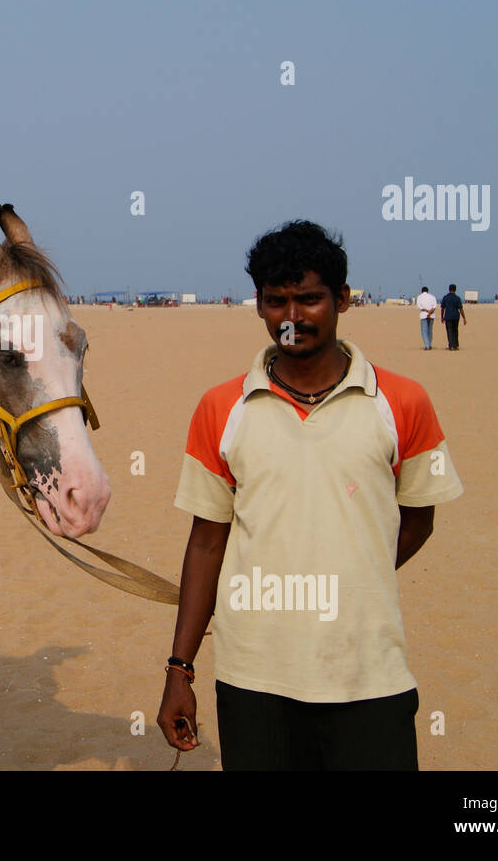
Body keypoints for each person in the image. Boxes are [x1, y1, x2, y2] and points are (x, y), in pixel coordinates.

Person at [157, 220, 463, 770]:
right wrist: (180, 669)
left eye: (309, 299)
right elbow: (206, 544)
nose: (292, 318)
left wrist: (351, 572)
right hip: (254, 681)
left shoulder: (403, 402)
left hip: (370, 676)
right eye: (277, 301)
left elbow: (419, 519)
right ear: (258, 305)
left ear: (343, 299)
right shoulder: (221, 408)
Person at [439, 283, 466, 350]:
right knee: (455, 330)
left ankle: (451, 345)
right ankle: (455, 345)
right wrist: (464, 318)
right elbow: (461, 309)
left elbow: (442, 308)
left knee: (449, 331)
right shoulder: (457, 298)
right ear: (455, 290)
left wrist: (442, 317)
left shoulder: (445, 297)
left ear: (449, 289)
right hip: (456, 316)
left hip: (448, 316)